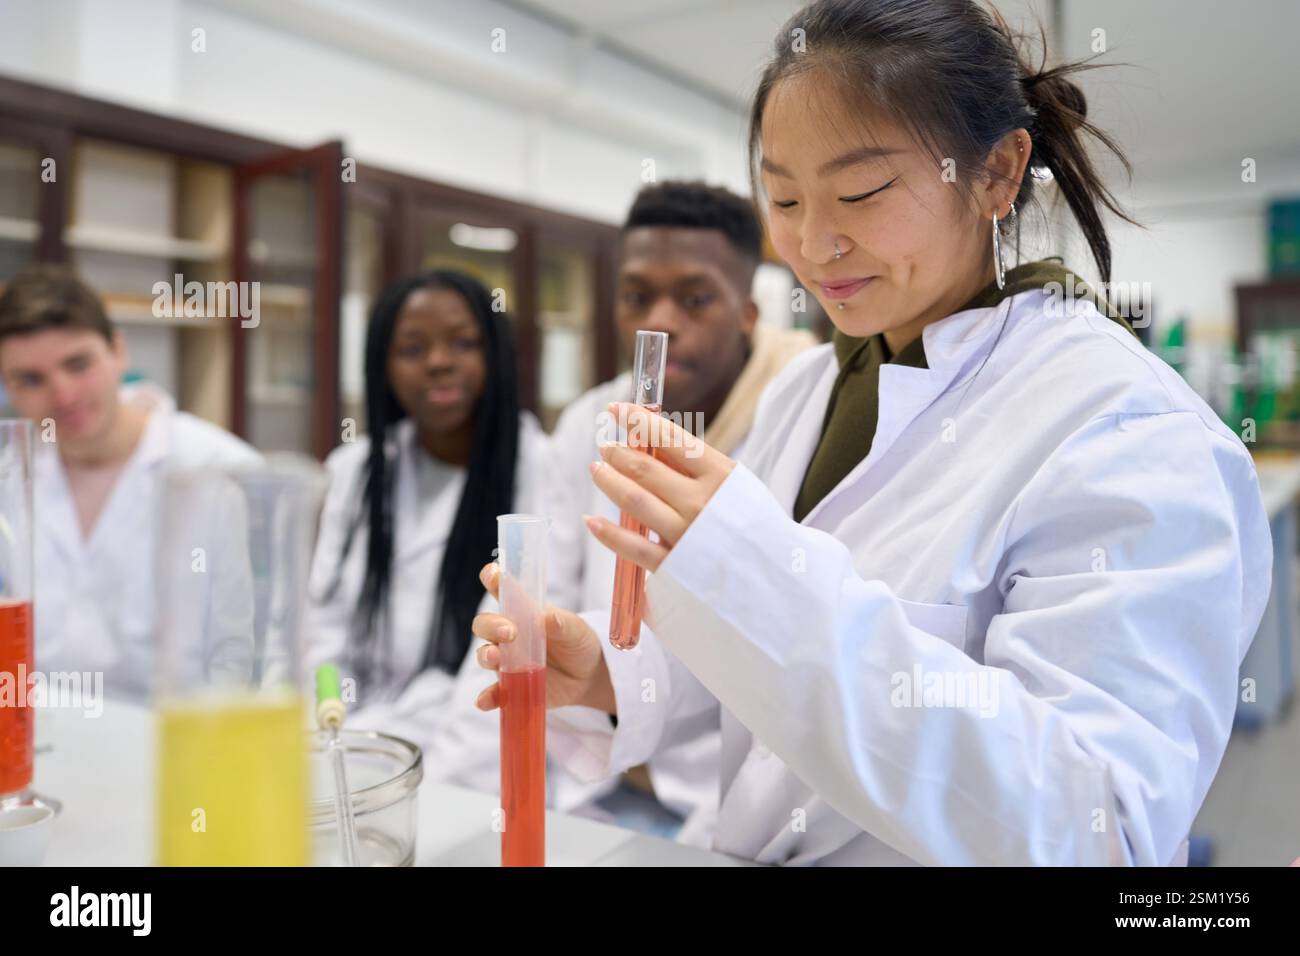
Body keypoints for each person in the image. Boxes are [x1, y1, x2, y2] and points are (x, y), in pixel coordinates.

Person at [471, 0, 1271, 865]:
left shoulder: (1123, 430)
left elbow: (1097, 826)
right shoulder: (810, 391)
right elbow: (766, 674)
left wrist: (755, 580)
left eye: (861, 191)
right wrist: (617, 674)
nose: (815, 245)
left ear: (999, 171)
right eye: (782, 196)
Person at [546, 180, 815, 838]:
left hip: (726, 807)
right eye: (638, 296)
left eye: (695, 299)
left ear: (748, 314)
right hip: (592, 780)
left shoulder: (798, 422)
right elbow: (539, 591)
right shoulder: (591, 420)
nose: (660, 321)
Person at [306, 269, 548, 793]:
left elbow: (498, 678)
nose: (439, 362)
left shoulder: (540, 475)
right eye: (412, 348)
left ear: (497, 356)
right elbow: (322, 633)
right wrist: (323, 738)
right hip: (353, 744)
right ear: (382, 367)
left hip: (465, 764)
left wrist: (426, 791)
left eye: (464, 343)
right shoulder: (356, 471)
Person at [0, 264, 261, 701]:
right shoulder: (8, 479)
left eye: (77, 364)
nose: (62, 395)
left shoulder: (224, 471)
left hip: (181, 752)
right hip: (39, 746)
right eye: (31, 379)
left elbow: (266, 659)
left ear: (118, 351)